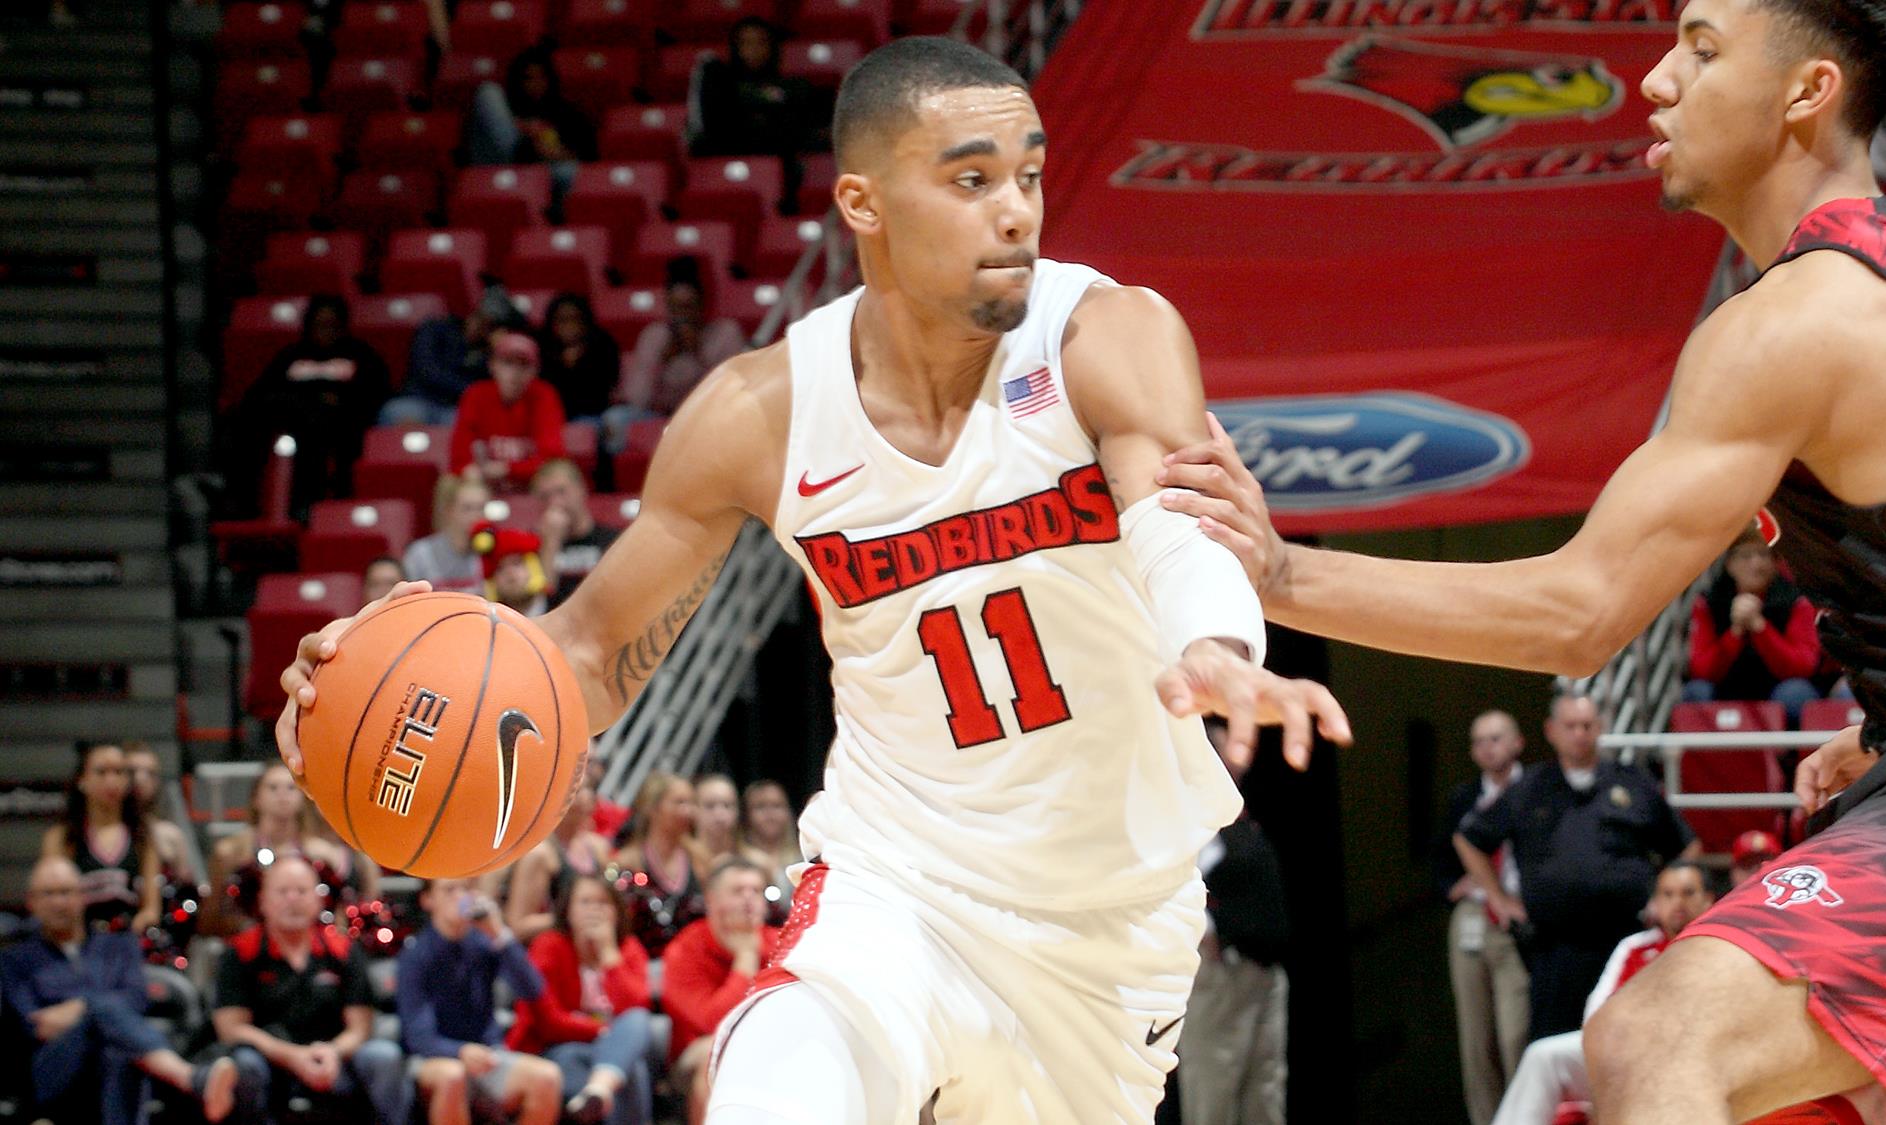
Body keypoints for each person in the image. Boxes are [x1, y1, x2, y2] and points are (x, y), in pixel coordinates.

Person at [275, 34, 1343, 1123]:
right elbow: (587, 658)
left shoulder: (1106, 334)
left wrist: (1216, 639)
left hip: (1108, 939)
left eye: (1026, 174)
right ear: (862, 204)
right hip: (896, 890)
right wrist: (377, 690)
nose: (1015, 211)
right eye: (970, 180)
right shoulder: (760, 415)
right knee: (780, 1069)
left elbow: (1175, 515)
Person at [1156, 0, 1886, 1115]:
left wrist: (1281, 573)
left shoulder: (1790, 324)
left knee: (1660, 1038)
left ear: (1806, 93)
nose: (1653, 80)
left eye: (1700, 51)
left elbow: (1580, 612)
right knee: (1875, 1088)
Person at [1452, 696, 1697, 1042]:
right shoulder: (1530, 788)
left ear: (1600, 728)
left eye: (1587, 725)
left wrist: (1665, 898)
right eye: (1571, 726)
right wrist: (1499, 898)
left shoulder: (1631, 782)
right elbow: (1469, 840)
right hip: (1556, 949)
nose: (1580, 734)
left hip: (1624, 939)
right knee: (1554, 1049)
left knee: (1633, 1042)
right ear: (1551, 731)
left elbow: (1685, 846)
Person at [1, 856, 238, 1124]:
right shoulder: (14, 961)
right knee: (108, 1014)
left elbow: (137, 1000)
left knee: (117, 1050)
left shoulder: (120, 946)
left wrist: (81, 1010)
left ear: (81, 897)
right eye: (49, 894)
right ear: (32, 902)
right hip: (51, 1071)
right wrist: (93, 1009)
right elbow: (37, 1026)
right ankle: (189, 1077)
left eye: (66, 892)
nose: (59, 902)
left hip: (117, 1058)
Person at [1490, 861, 1716, 1125]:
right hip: (1622, 1054)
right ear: (1656, 901)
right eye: (1667, 894)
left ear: (1709, 900)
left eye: (1688, 893)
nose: (1678, 902)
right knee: (1544, 1055)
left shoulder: (1718, 949)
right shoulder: (1634, 947)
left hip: (1686, 1057)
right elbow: (1595, 1013)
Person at [214, 855, 410, 1125]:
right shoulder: (239, 952)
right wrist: (292, 1056)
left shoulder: (343, 950)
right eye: (283, 891)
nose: (292, 899)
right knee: (243, 1064)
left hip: (332, 1061)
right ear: (263, 900)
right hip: (270, 1061)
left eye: (302, 891)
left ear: (318, 900)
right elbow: (231, 1028)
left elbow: (360, 1027)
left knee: (384, 1056)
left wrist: (332, 1052)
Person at [1177, 721, 1289, 1125]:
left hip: (1263, 969)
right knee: (1214, 1091)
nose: (1238, 760)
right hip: (1223, 973)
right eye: (1227, 751)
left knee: (1265, 1088)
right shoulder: (1186, 810)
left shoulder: (1236, 810)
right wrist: (1205, 932)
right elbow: (1174, 876)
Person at [398, 877, 564, 1125]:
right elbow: (418, 1037)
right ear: (427, 899)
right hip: (433, 1058)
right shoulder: (416, 954)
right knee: (453, 1076)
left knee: (547, 1077)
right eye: (449, 889)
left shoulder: (483, 942)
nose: (459, 896)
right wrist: (459, 1051)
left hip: (487, 1055)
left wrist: (500, 934)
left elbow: (532, 990)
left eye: (466, 888)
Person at [1436, 710, 1531, 1125]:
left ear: (1517, 742)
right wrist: (1451, 886)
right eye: (1478, 741)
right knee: (1476, 1038)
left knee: (1517, 1034)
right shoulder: (1463, 797)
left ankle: (1527, 1116)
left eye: (1495, 738)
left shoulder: (1538, 789)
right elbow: (1440, 851)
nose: (1486, 748)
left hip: (1520, 918)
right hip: (1473, 917)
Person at [507, 874, 653, 1125]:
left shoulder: (628, 948)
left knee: (636, 1040)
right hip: (555, 1048)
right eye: (585, 902)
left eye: (603, 903)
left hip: (612, 1050)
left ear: (617, 911)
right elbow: (548, 1021)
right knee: (606, 1065)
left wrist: (609, 954)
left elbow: (636, 1009)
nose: (594, 910)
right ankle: (600, 1089)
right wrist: (607, 1030)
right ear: (568, 911)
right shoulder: (549, 945)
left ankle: (598, 1090)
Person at [229, 294, 391, 519]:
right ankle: (244, 503)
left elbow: (376, 395)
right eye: (319, 324)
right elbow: (260, 395)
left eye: (331, 325)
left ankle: (320, 507)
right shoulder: (291, 356)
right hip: (293, 423)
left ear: (342, 326)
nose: (325, 330)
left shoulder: (360, 355)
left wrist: (338, 403)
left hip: (341, 427)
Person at [660, 857, 781, 1125]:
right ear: (712, 900)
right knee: (719, 1049)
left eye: (756, 891)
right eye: (738, 891)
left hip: (768, 1043)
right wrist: (745, 960)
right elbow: (711, 1022)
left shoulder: (782, 943)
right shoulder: (685, 949)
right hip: (696, 1053)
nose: (749, 899)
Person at [205, 761, 375, 936]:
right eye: (273, 788)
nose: (282, 794)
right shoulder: (230, 852)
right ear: (256, 798)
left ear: (303, 797)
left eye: (291, 788)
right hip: (249, 946)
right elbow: (211, 914)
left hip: (312, 946)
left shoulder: (324, 855)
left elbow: (342, 914)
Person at [606, 263, 748, 454]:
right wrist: (662, 360)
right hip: (659, 414)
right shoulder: (655, 335)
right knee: (614, 418)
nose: (682, 316)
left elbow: (730, 392)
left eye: (688, 307)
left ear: (702, 305)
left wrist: (699, 355)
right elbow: (637, 399)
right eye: (675, 308)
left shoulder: (725, 333)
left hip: (705, 414)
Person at [1684, 532, 1823, 723]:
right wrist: (1735, 632)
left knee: (1797, 692)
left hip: (1777, 686)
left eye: (1763, 555)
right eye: (1746, 556)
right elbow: (1701, 669)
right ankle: (1710, 753)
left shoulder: (1796, 601)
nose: (1756, 564)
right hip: (1727, 685)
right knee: (1697, 692)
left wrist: (1760, 628)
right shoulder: (1709, 602)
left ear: (1775, 563)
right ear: (1729, 563)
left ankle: (1787, 752)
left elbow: (1804, 665)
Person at [692, 17, 819, 212]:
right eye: (745, 43)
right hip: (724, 174)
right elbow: (712, 131)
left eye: (760, 42)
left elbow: (798, 132)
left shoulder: (796, 88)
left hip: (779, 181)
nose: (752, 50)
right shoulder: (718, 84)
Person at [42, 739, 160, 936]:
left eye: (119, 772)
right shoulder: (62, 837)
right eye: (101, 772)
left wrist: (132, 931)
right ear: (82, 780)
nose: (111, 781)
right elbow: (53, 904)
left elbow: (151, 909)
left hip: (128, 943)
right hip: (79, 943)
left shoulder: (143, 835)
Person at [466, 46, 598, 200]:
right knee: (488, 91)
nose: (536, 84)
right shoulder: (508, 107)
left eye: (541, 77)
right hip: (499, 164)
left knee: (569, 172)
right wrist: (521, 126)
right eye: (529, 78)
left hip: (539, 170)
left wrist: (551, 153)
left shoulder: (566, 111)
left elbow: (587, 157)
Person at [380, 287, 519, 427]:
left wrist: (499, 351)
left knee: (472, 425)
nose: (478, 325)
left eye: (489, 325)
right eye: (479, 317)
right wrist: (469, 389)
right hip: (418, 398)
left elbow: (498, 389)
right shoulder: (436, 328)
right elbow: (427, 371)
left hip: (457, 408)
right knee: (405, 419)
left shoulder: (490, 353)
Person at [450, 328, 567, 491]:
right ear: (493, 365)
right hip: (483, 487)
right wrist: (475, 474)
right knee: (451, 483)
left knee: (559, 476)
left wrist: (506, 469)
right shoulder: (476, 395)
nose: (515, 373)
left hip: (533, 489)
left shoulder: (544, 395)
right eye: (508, 363)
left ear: (535, 371)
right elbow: (459, 460)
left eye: (524, 365)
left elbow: (551, 461)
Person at [504, 776, 614, 941]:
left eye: (589, 789)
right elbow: (518, 925)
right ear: (554, 797)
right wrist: (569, 916)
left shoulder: (598, 847)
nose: (587, 796)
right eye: (577, 790)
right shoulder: (540, 854)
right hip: (549, 951)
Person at [610, 771, 705, 956]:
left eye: (691, 803)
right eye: (679, 802)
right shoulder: (627, 862)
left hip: (691, 961)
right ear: (652, 808)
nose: (688, 811)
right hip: (645, 963)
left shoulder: (700, 859)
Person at [531, 457, 622, 609]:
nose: (555, 502)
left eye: (561, 492)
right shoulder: (533, 547)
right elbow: (539, 604)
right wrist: (551, 544)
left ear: (581, 489)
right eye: (545, 497)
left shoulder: (614, 540)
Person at [539, 292, 622, 423]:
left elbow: (604, 391)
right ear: (552, 323)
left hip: (594, 417)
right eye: (563, 320)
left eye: (575, 319)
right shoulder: (541, 348)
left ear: (586, 322)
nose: (570, 327)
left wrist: (578, 365)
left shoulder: (603, 345)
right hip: (550, 417)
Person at [402, 471, 490, 594]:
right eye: (467, 508)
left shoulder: (489, 552)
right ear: (448, 510)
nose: (476, 516)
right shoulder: (420, 554)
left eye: (481, 508)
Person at [122, 740, 195, 888]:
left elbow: (184, 889)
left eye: (150, 773)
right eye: (131, 771)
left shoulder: (171, 835)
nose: (140, 779)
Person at [736, 779, 803, 914]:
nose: (770, 814)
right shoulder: (737, 860)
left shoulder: (803, 858)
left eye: (777, 806)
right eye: (760, 806)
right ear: (746, 815)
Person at [472, 520, 549, 616]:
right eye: (500, 568)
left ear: (534, 568)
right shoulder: (483, 619)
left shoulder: (559, 607)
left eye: (516, 563)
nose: (509, 572)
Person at [687, 772, 741, 881]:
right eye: (710, 806)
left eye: (727, 805)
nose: (720, 814)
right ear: (694, 808)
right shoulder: (681, 859)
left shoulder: (752, 860)